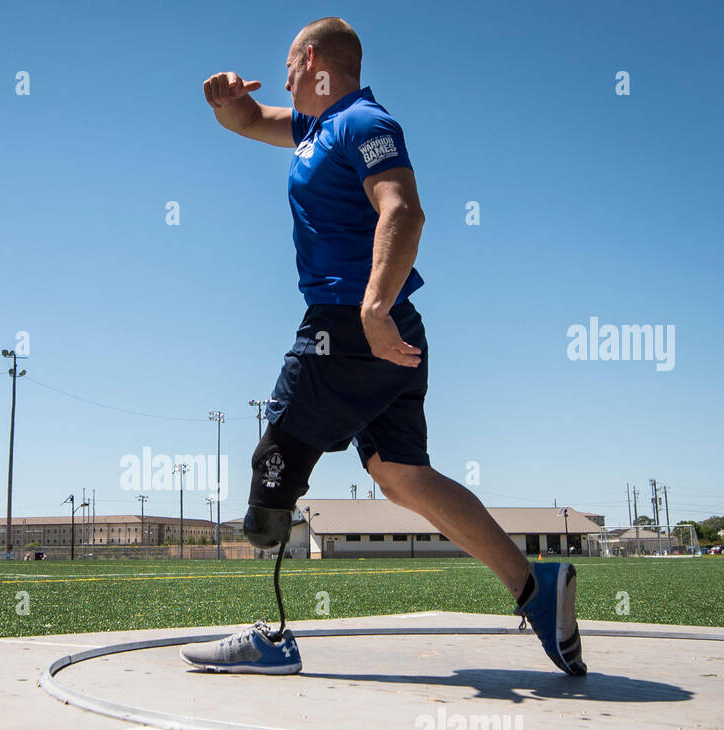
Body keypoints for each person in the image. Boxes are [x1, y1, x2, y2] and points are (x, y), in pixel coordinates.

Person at [182, 18, 585, 677]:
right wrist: (225, 98)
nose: (281, 75)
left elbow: (404, 209)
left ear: (312, 60)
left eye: (287, 64)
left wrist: (371, 308)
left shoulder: (363, 122)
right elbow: (248, 119)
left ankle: (274, 637)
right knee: (401, 475)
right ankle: (536, 589)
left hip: (351, 325)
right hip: (389, 331)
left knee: (273, 471)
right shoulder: (313, 129)